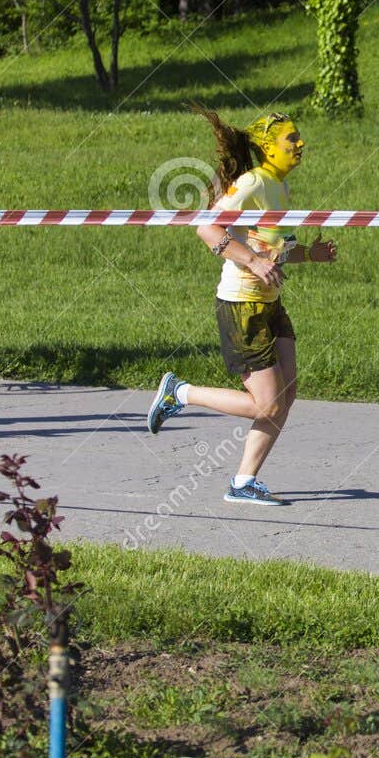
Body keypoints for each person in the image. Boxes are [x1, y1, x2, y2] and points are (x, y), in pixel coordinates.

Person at [145, 108, 337, 506]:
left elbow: (273, 251)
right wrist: (251, 261)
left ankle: (243, 482)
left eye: (299, 138)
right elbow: (205, 227)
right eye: (291, 139)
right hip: (241, 304)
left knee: (287, 392)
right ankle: (180, 393)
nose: (301, 144)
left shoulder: (279, 187)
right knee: (266, 403)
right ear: (268, 147)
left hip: (269, 302)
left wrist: (310, 255)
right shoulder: (252, 182)